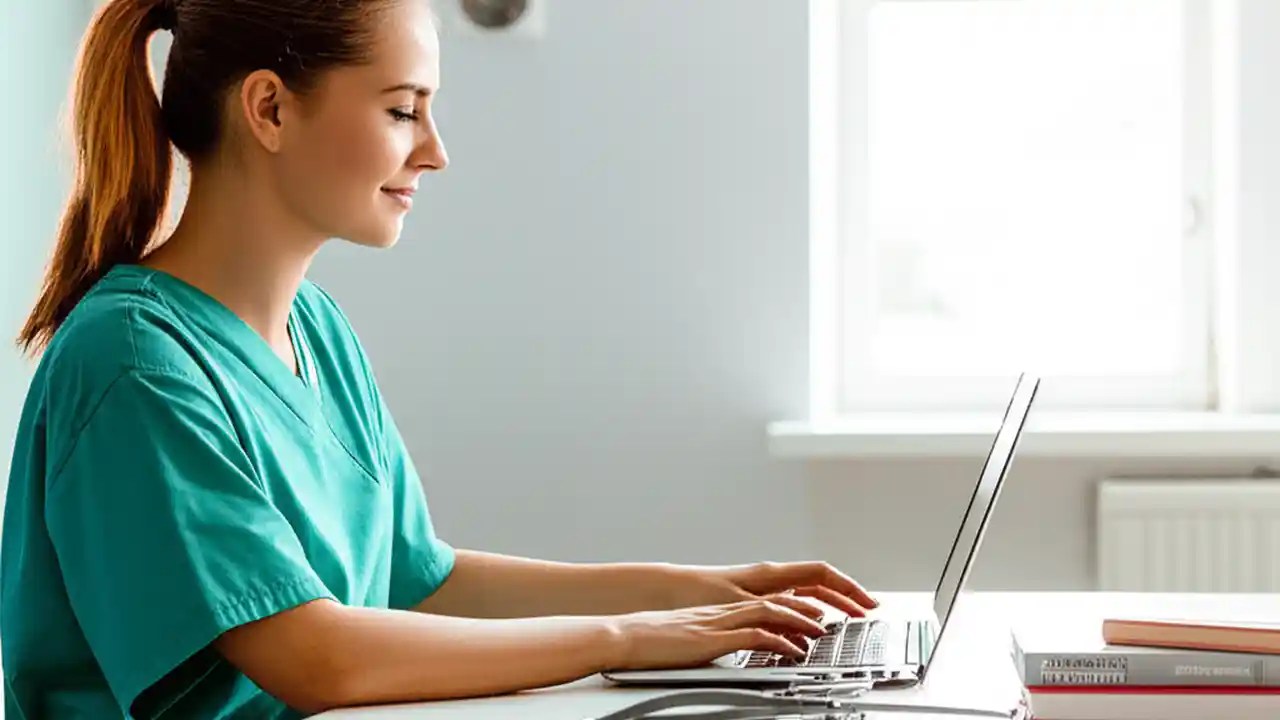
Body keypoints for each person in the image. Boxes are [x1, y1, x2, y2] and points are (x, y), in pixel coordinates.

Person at [0, 0, 879, 717]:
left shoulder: (316, 329)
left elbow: (422, 582)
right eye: (401, 109)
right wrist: (634, 639)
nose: (435, 149)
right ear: (268, 108)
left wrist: (709, 594)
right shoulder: (134, 364)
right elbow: (319, 659)